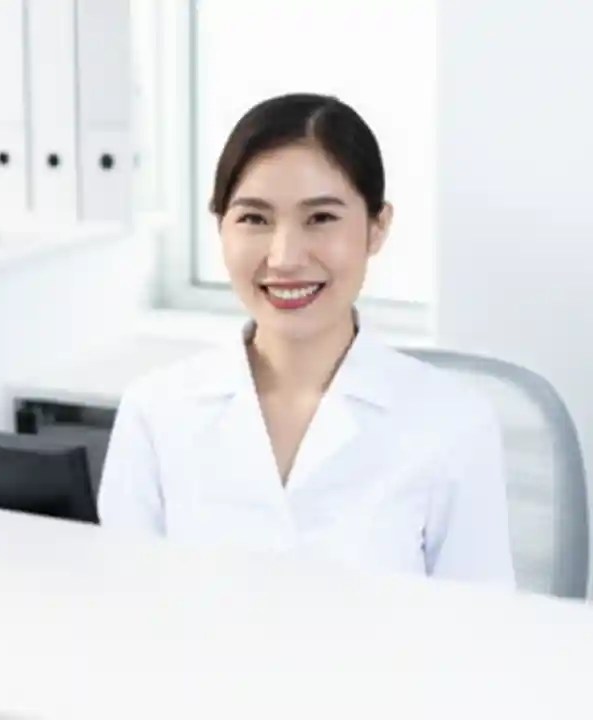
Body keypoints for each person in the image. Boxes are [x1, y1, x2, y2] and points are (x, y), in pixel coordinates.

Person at [98, 93, 515, 586]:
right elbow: (127, 619)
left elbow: (480, 637)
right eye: (254, 218)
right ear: (221, 228)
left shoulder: (452, 422)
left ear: (377, 228)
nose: (285, 257)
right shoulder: (155, 411)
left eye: (320, 218)